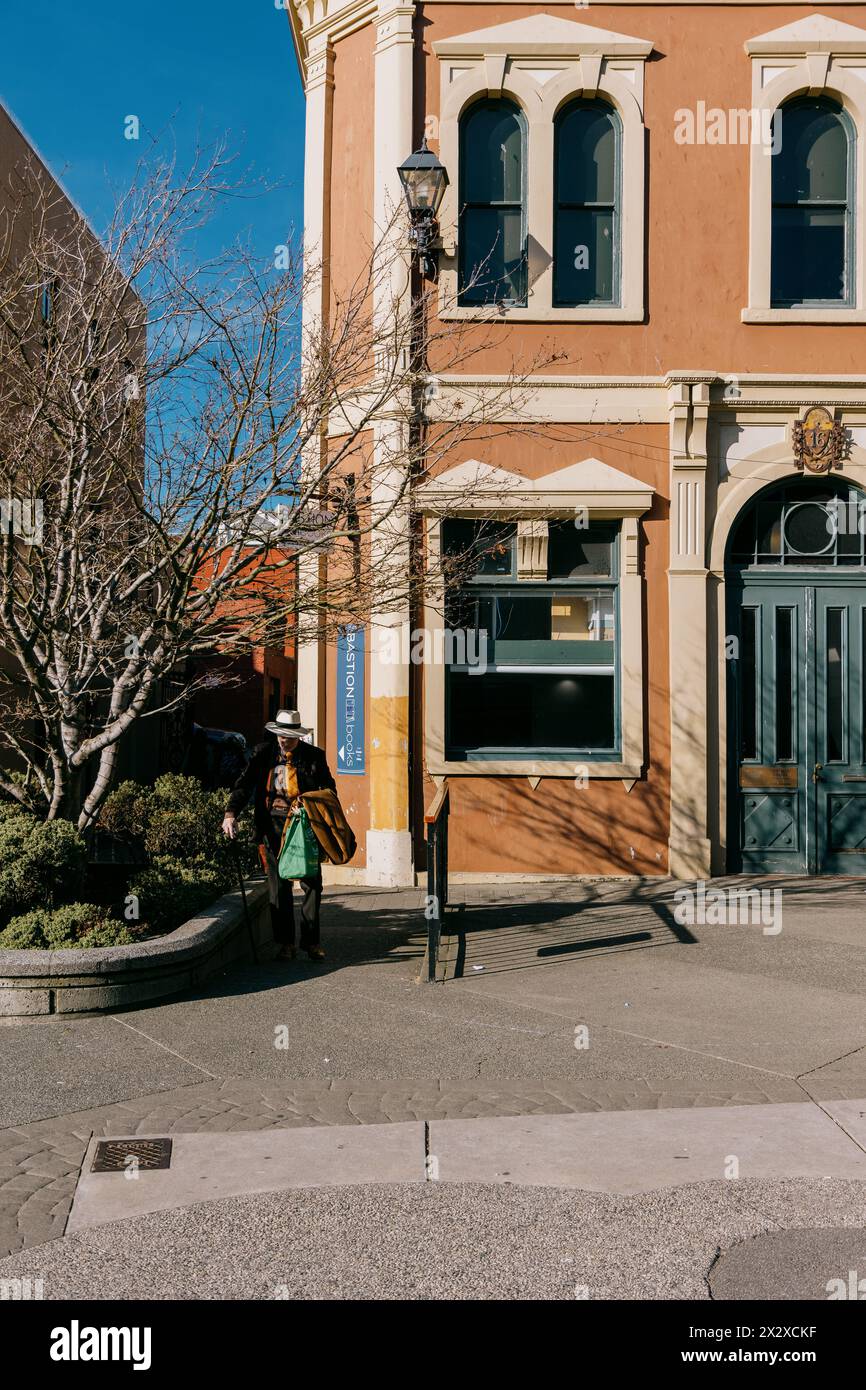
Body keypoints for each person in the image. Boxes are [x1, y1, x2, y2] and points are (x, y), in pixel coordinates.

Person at [222, 709, 336, 962]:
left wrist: (309, 804)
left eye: (291, 737)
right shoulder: (262, 754)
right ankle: (285, 944)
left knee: (311, 884)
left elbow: (329, 789)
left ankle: (311, 942)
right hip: (272, 827)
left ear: (298, 735)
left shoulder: (314, 757)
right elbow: (244, 784)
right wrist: (230, 813)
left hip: (305, 828)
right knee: (279, 887)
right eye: (282, 736)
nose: (285, 741)